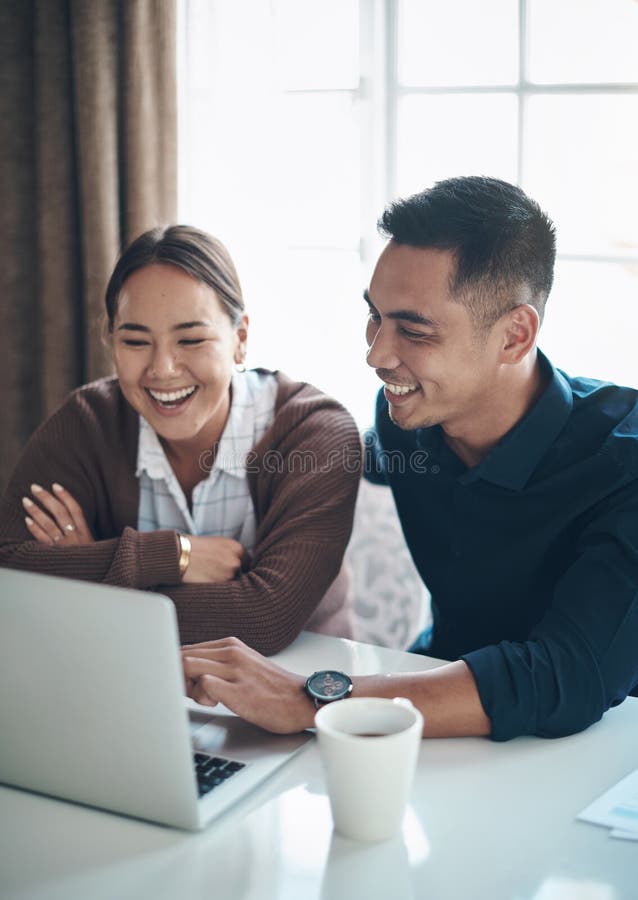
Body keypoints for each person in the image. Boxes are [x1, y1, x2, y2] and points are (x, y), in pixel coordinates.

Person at [181, 175, 638, 741]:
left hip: (597, 754)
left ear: (515, 336)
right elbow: (338, 457)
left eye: (413, 331)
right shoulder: (406, 422)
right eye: (375, 315)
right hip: (424, 717)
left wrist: (313, 699)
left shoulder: (625, 465)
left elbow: (567, 675)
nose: (376, 353)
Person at [0, 225, 361, 655]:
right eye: (135, 341)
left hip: (300, 684)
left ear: (240, 340)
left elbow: (265, 618)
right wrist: (172, 556)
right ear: (110, 339)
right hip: (128, 683)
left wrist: (91, 579)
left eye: (190, 339)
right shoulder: (87, 421)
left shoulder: (316, 433)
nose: (163, 369)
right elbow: (12, 574)